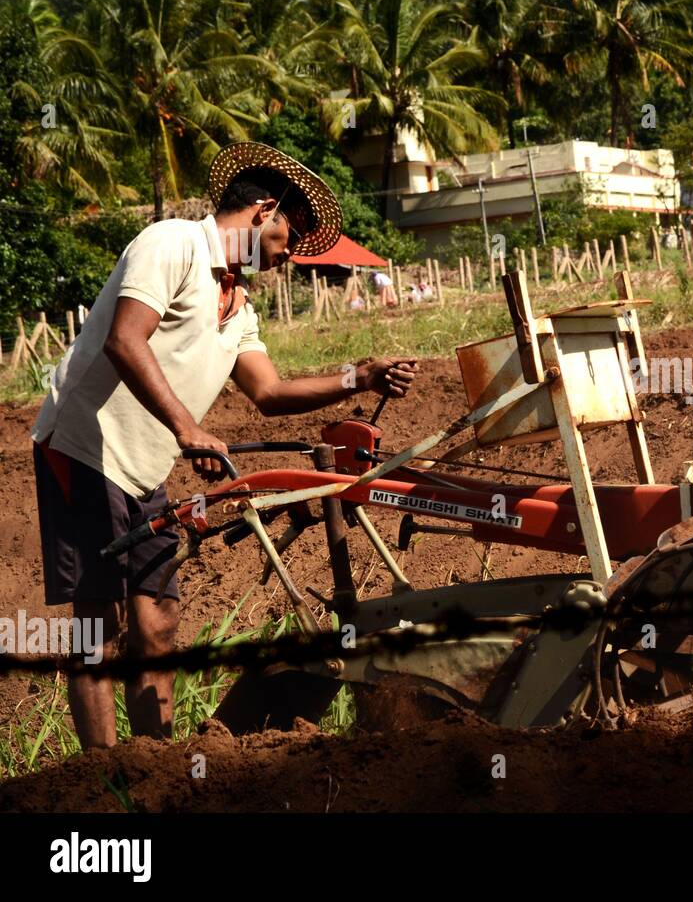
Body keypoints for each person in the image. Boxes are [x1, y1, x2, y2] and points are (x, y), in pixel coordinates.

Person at [30, 141, 419, 749]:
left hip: (144, 471)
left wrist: (359, 378)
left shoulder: (238, 304)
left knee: (157, 626)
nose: (289, 256)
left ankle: (151, 763)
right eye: (290, 238)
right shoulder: (173, 244)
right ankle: (103, 782)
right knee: (98, 629)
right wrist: (188, 429)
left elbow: (268, 390)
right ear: (266, 209)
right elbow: (124, 341)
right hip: (82, 448)